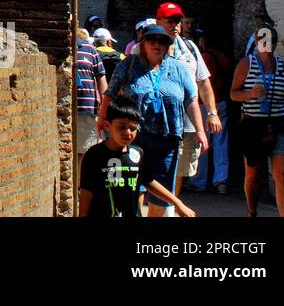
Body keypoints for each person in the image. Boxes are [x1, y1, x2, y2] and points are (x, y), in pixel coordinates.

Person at [98, 23, 205, 217]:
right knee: (133, 186)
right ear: (144, 43)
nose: (157, 44)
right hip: (134, 138)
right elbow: (110, 93)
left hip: (167, 140)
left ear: (167, 45)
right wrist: (102, 118)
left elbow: (191, 100)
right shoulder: (129, 64)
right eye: (152, 40)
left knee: (162, 194)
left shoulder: (177, 68)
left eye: (162, 41)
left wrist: (200, 130)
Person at [80, 93, 196, 217]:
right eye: (121, 127)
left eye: (133, 128)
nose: (127, 132)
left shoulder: (138, 153)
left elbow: (148, 181)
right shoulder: (94, 155)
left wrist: (177, 203)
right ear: (108, 126)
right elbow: (86, 193)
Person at [230, 23, 284, 217]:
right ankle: (252, 212)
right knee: (253, 175)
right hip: (253, 124)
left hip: (279, 123)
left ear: (275, 43)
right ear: (257, 42)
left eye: (271, 40)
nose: (267, 44)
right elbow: (233, 94)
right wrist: (250, 93)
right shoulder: (245, 64)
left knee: (282, 174)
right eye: (263, 40)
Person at [156, 2, 220, 199]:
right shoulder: (147, 47)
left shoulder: (190, 48)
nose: (175, 25)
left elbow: (203, 82)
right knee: (156, 171)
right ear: (158, 21)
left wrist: (212, 113)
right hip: (157, 122)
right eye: (170, 20)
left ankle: (169, 209)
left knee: (179, 172)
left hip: (187, 123)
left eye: (178, 21)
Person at [187, 25, 232, 194]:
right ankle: (221, 180)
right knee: (221, 142)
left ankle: (198, 180)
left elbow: (203, 83)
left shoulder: (205, 57)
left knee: (202, 142)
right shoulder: (225, 58)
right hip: (221, 102)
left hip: (204, 104)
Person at [76, 27, 108, 164]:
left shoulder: (89, 50)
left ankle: (84, 185)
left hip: (88, 109)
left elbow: (101, 77)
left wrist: (104, 106)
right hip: (64, 110)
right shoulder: (58, 49)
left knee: (89, 153)